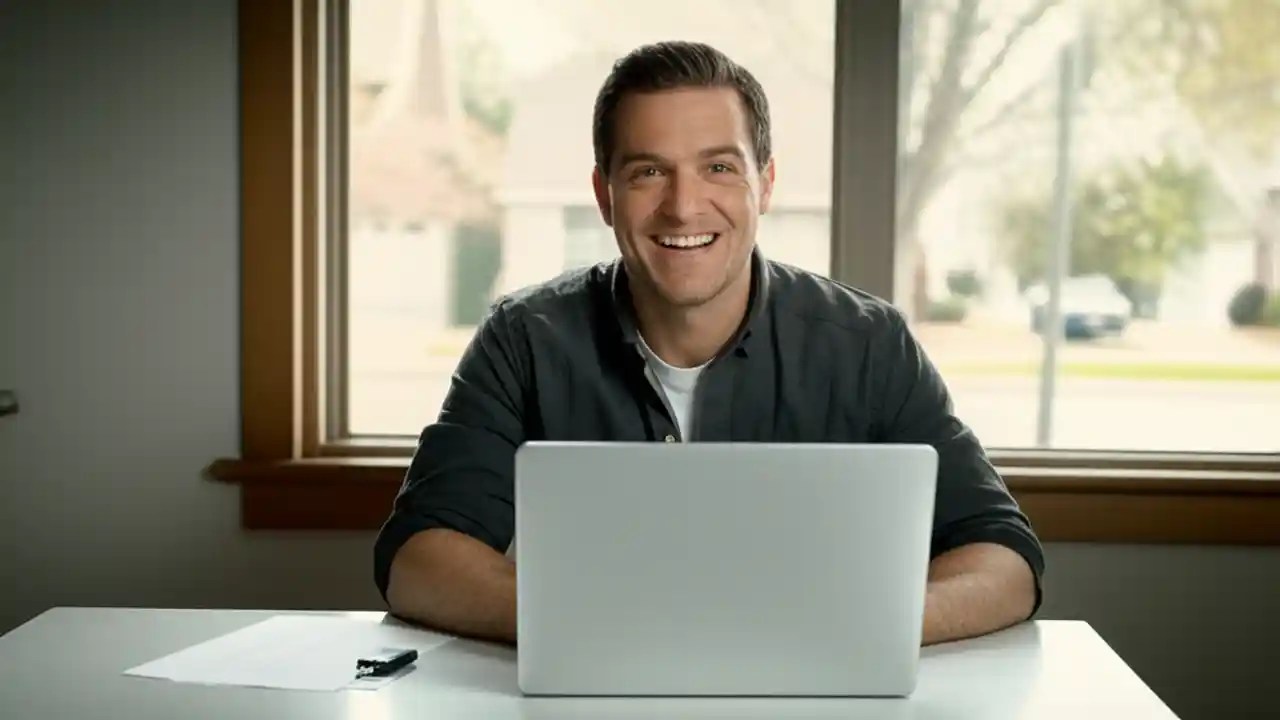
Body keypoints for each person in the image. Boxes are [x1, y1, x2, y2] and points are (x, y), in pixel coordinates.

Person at [374, 41, 1044, 647]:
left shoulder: (869, 344)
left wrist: (863, 625)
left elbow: (1003, 560)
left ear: (766, 185)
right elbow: (419, 559)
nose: (684, 207)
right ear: (605, 196)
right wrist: (590, 620)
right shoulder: (524, 341)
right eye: (647, 173)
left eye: (719, 167)